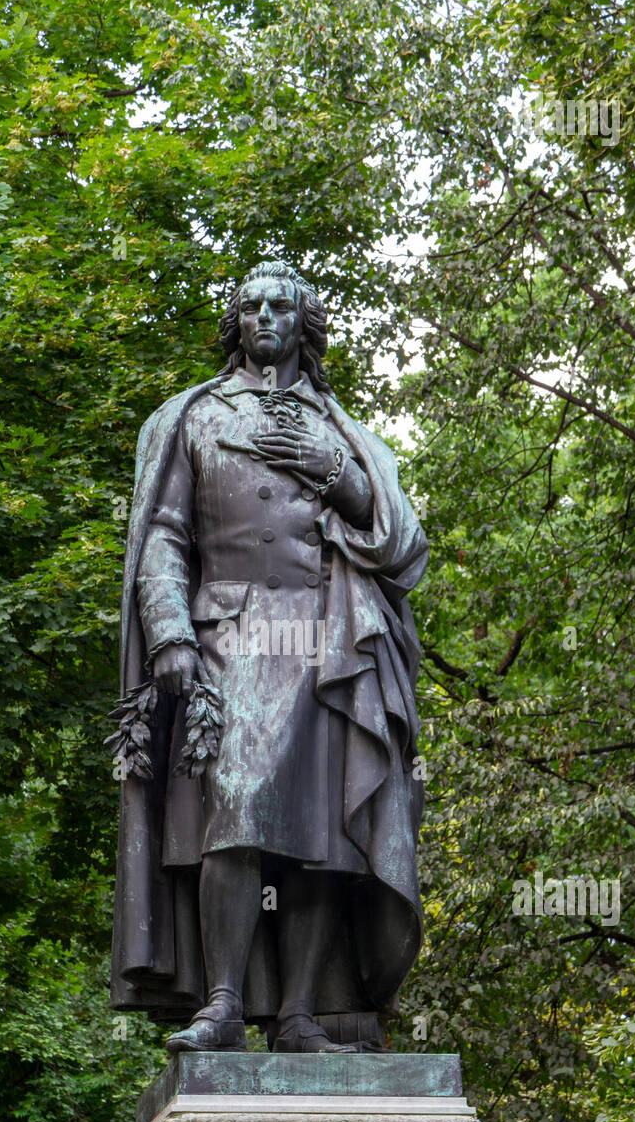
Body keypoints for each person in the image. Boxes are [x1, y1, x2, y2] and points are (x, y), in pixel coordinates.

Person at [110, 261, 428, 1053]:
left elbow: (398, 541)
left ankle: (296, 1015)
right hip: (230, 634)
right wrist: (172, 634)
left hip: (327, 640)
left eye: (279, 306)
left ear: (303, 322)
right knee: (239, 812)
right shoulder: (193, 417)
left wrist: (332, 472)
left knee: (323, 831)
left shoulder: (341, 430)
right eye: (249, 306)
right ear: (235, 322)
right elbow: (165, 538)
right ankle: (220, 1002)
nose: (263, 317)